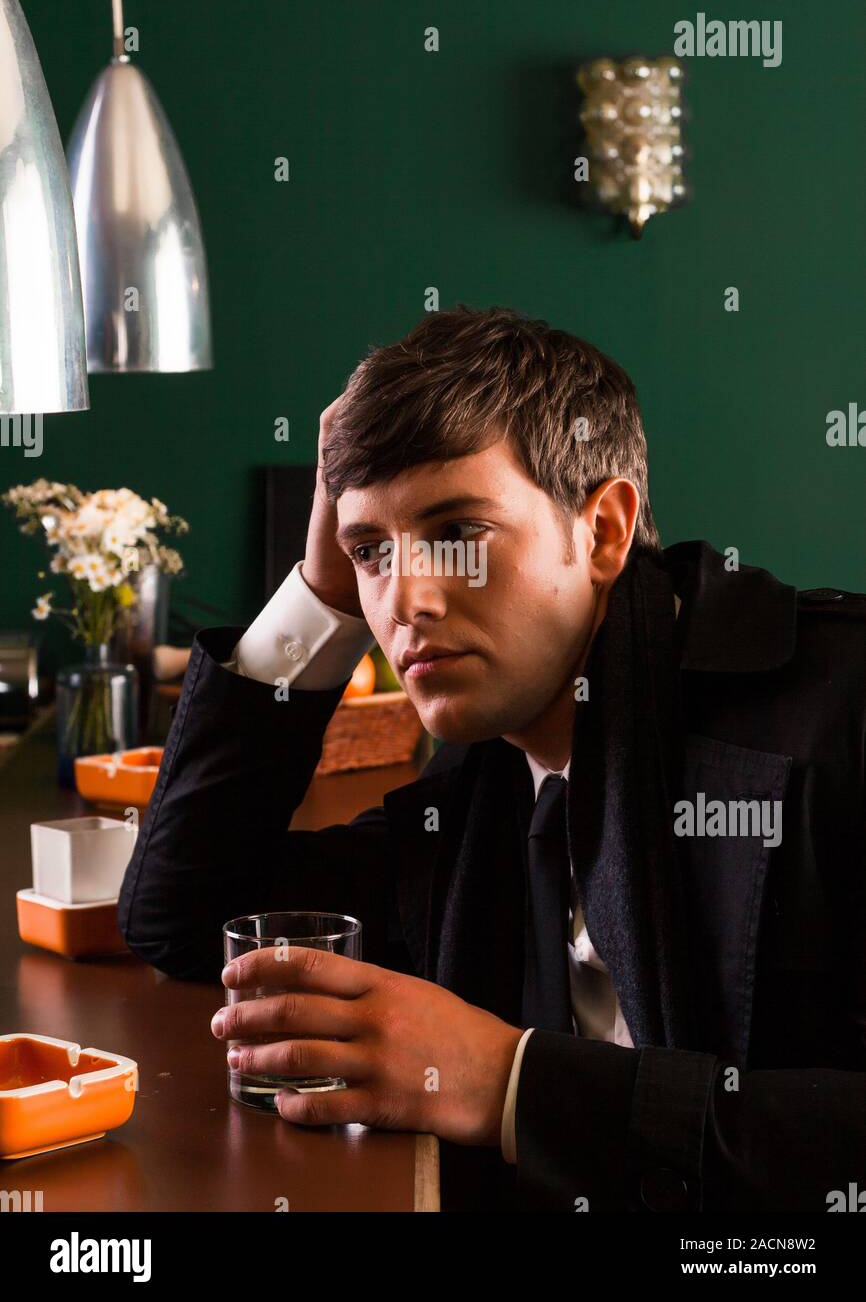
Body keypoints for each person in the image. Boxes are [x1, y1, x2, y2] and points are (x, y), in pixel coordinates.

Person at [118, 304, 866, 1213]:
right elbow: (187, 917)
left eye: (457, 534)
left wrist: (508, 1083)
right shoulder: (477, 786)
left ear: (603, 531)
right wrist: (321, 594)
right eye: (370, 551)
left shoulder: (844, 710)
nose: (408, 600)